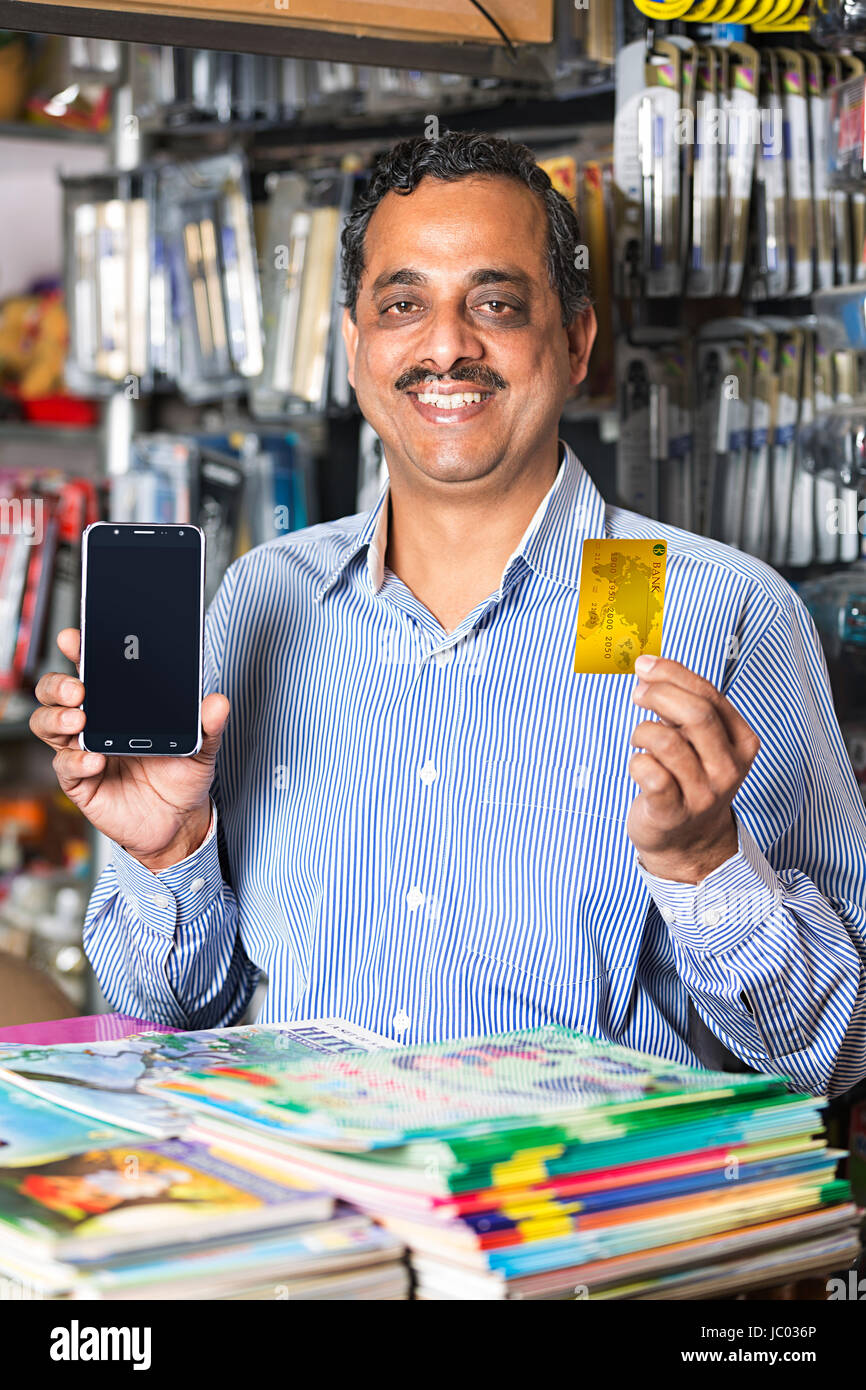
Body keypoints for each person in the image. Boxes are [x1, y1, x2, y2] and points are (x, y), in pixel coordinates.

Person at [32, 133, 866, 1097]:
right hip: (315, 1188)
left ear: (577, 343)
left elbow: (839, 1054)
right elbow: (172, 1017)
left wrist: (704, 866)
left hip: (578, 1191)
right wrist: (168, 853)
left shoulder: (717, 611)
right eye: (403, 305)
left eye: (496, 303)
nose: (445, 346)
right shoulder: (266, 598)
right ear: (354, 348)